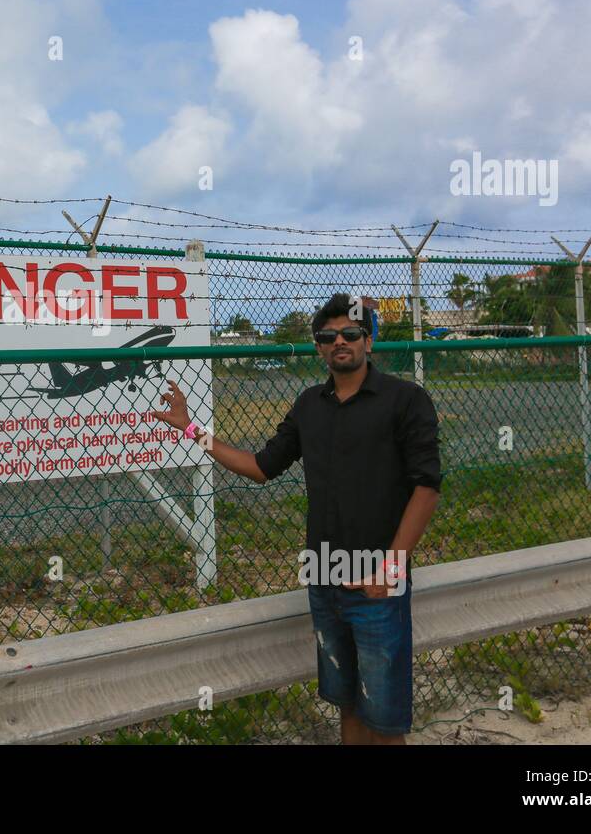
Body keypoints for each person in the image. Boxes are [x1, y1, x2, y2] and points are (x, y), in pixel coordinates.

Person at [150, 293, 441, 744]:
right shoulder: (309, 406)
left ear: (369, 342)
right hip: (324, 576)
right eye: (328, 336)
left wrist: (393, 566)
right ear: (318, 348)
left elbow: (426, 486)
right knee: (347, 703)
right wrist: (191, 430)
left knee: (384, 718)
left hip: (379, 581)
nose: (339, 342)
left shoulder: (405, 400)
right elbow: (261, 467)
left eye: (350, 333)